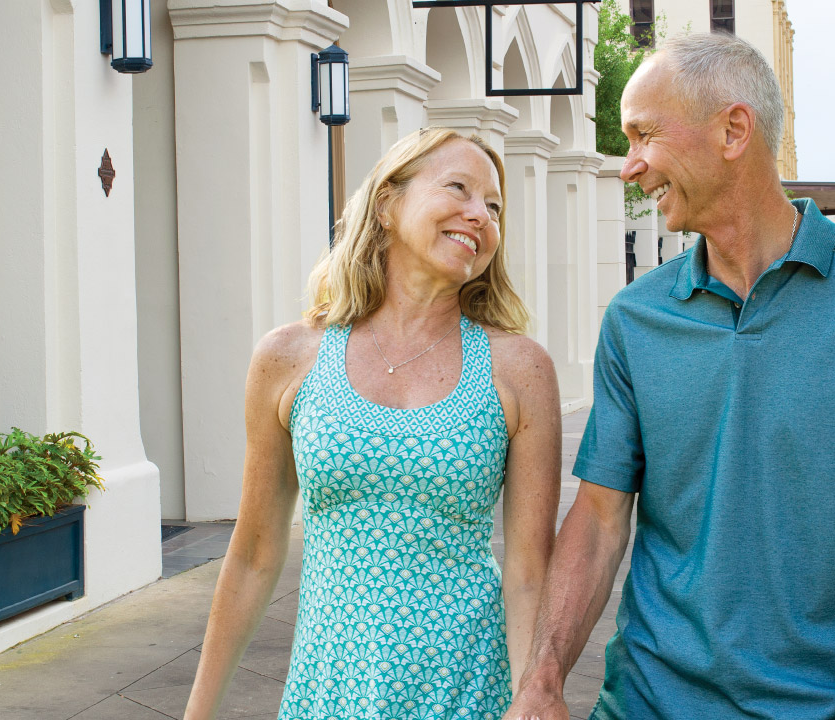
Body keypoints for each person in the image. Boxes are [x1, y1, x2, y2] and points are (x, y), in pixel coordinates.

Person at [505, 33, 835, 720]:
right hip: (647, 701)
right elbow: (600, 517)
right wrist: (543, 678)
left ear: (733, 130)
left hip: (825, 706)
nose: (629, 166)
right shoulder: (635, 317)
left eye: (644, 135)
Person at [183, 127, 561, 720]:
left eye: (494, 207)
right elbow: (254, 553)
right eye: (458, 188)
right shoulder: (289, 358)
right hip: (331, 692)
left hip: (470, 693)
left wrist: (531, 702)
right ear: (387, 204)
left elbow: (528, 574)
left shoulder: (519, 368)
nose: (480, 215)